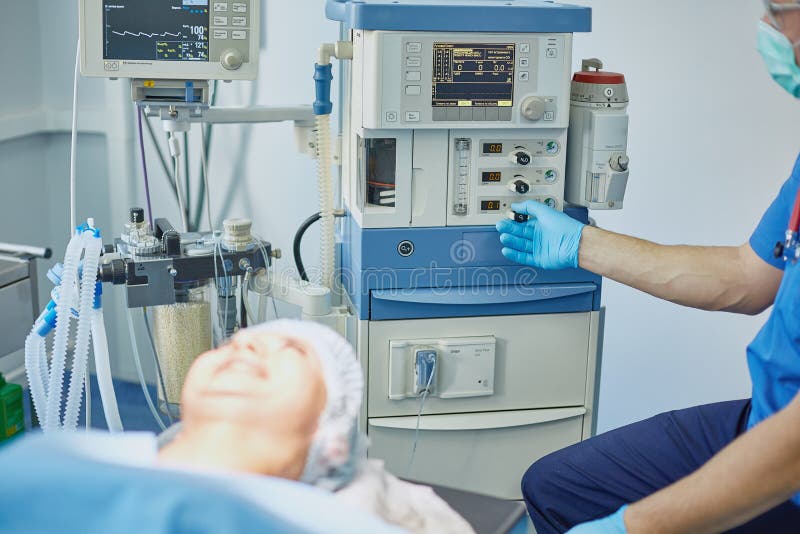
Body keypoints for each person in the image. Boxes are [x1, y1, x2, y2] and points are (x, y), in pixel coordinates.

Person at [495, 2, 800, 532]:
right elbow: (746, 279)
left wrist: (635, 526)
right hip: (771, 413)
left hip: (791, 454)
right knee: (556, 487)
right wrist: (581, 244)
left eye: (779, 10)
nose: (768, 27)